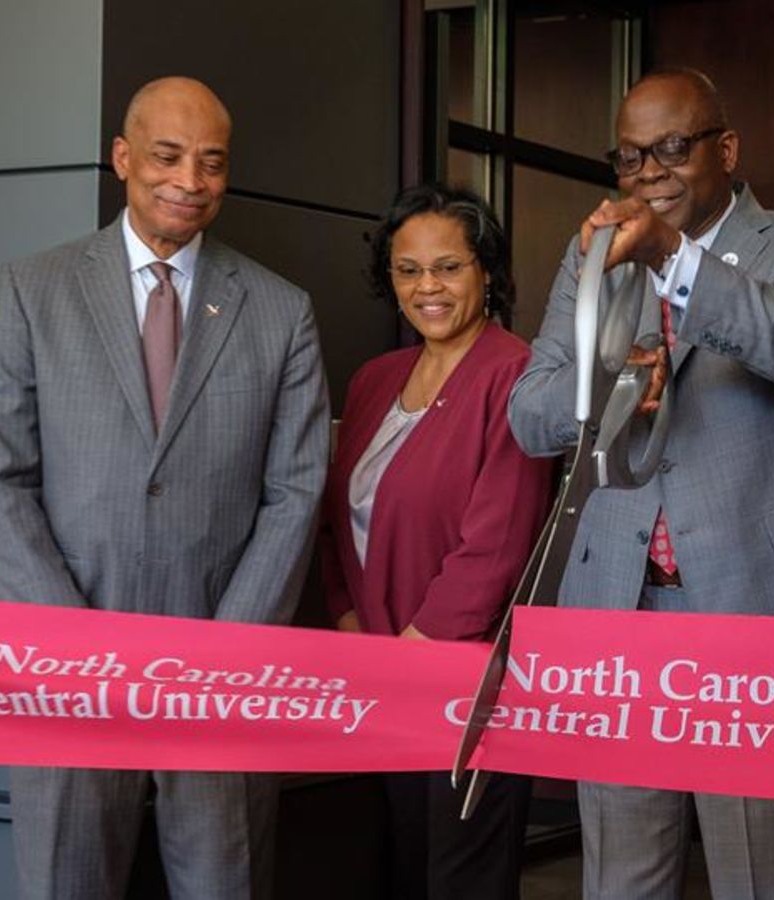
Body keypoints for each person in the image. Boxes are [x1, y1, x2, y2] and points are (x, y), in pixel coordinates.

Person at [508, 67, 774, 900]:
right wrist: (606, 394)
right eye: (630, 157)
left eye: (672, 148)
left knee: (765, 877)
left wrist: (674, 258)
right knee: (622, 880)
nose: (649, 174)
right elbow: (531, 414)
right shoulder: (592, 256)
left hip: (759, 612)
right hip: (619, 613)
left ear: (726, 149)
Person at [0, 77, 329, 899]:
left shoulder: (281, 311)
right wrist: (70, 646)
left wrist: (223, 655)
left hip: (220, 678)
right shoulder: (34, 288)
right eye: (168, 157)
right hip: (65, 677)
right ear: (123, 158)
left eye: (211, 163)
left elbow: (296, 494)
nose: (189, 182)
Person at [318, 183, 552, 899]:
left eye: (448, 267)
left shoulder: (516, 373)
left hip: (466, 686)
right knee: (400, 870)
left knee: (461, 878)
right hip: (380, 680)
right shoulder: (373, 381)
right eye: (408, 270)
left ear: (485, 271)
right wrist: (349, 623)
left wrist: (413, 660)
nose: (428, 287)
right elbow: (332, 520)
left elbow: (497, 546)